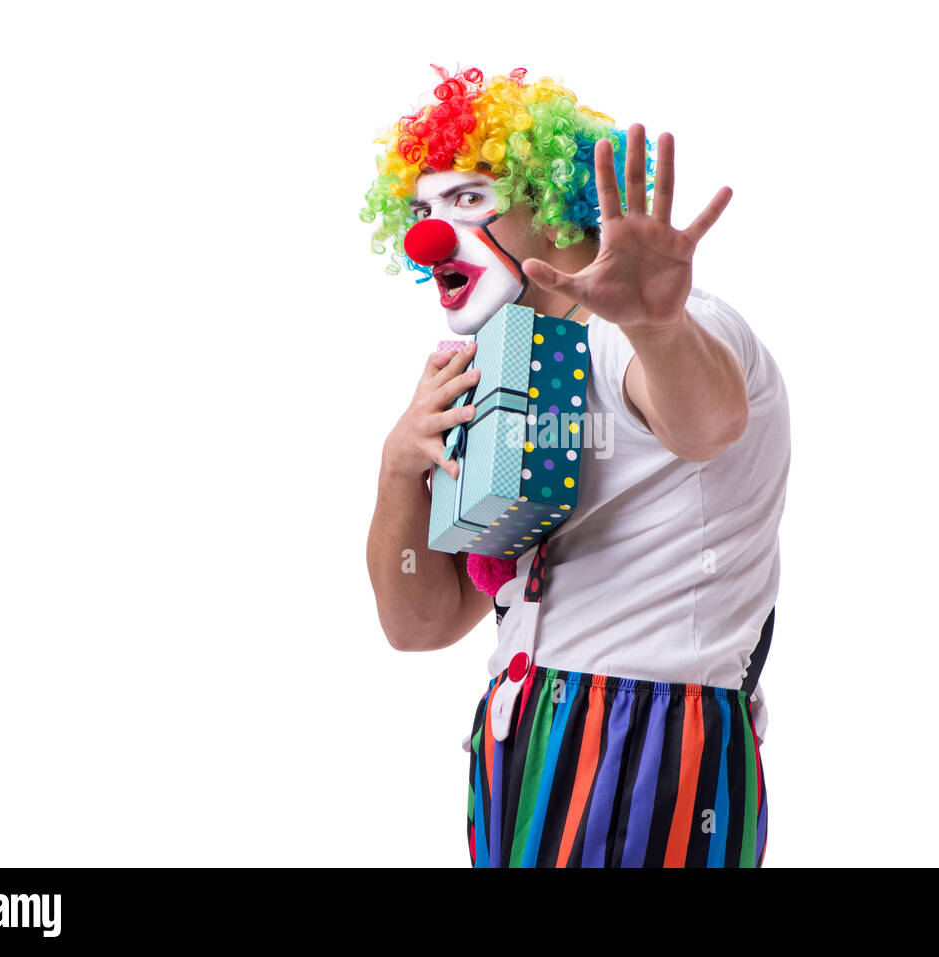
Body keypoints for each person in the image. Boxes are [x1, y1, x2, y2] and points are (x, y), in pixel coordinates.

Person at [362, 65, 790, 867]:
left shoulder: (672, 330)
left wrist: (657, 328)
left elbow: (708, 423)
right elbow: (418, 623)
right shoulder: (499, 374)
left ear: (557, 208)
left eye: (469, 200)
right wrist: (398, 469)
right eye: (421, 210)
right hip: (521, 738)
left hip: (649, 737)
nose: (429, 235)